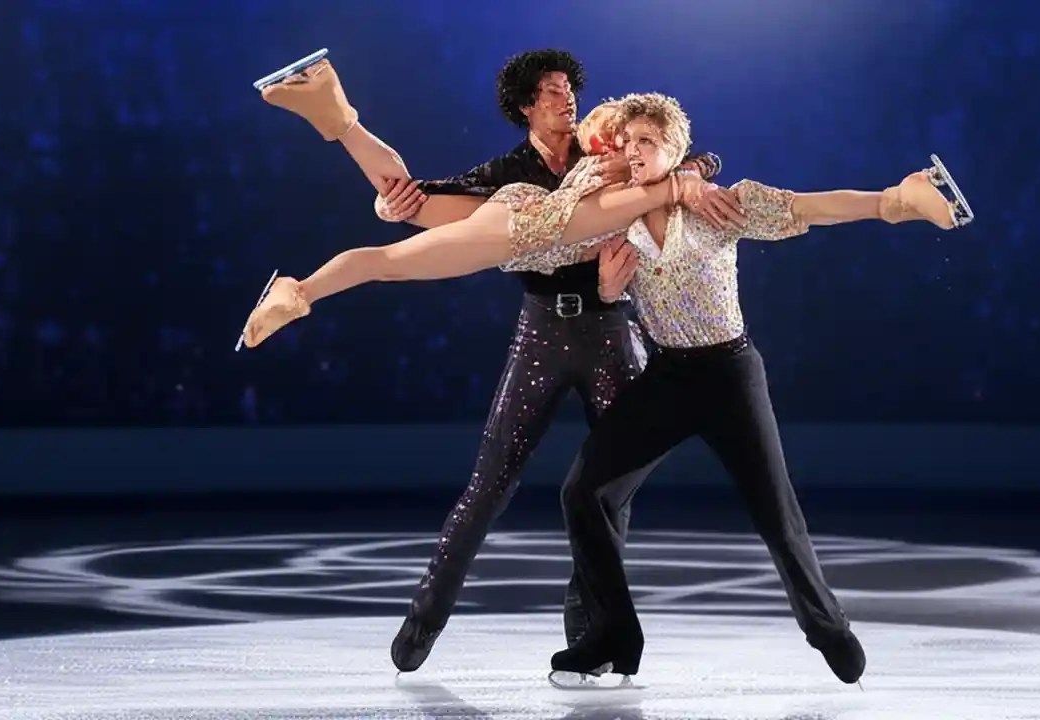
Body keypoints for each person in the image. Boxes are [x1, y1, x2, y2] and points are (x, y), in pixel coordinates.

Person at [251, 49, 732, 672]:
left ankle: (595, 637)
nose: (567, 101)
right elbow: (419, 200)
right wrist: (402, 206)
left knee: (608, 492)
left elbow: (678, 156)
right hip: (543, 331)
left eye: (570, 92)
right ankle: (423, 622)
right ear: (527, 106)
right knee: (489, 484)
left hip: (611, 329)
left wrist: (690, 170)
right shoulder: (511, 173)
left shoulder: (611, 159)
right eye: (553, 93)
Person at [544, 92, 973, 687]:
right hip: (668, 375)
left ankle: (829, 629)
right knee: (583, 492)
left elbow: (808, 208)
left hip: (729, 374)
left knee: (777, 513)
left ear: (677, 152)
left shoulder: (720, 204)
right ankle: (614, 636)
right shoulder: (613, 212)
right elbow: (546, 235)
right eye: (629, 142)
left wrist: (891, 202)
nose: (636, 152)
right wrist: (606, 291)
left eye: (650, 142)